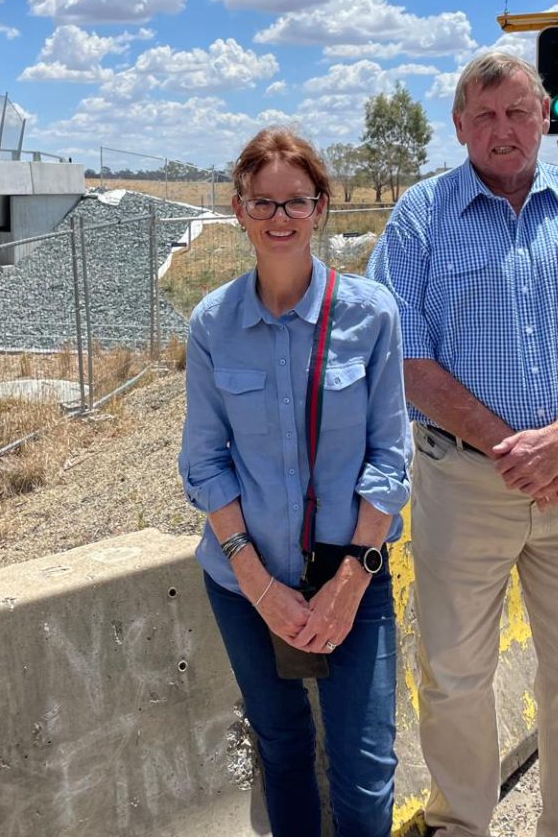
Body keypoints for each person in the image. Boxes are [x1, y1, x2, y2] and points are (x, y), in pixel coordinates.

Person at [366, 51, 558, 837]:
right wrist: (517, 448)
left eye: (517, 112)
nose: (501, 130)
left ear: (546, 117)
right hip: (465, 485)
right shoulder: (419, 216)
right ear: (459, 126)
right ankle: (461, 824)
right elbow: (403, 358)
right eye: (484, 116)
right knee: (452, 674)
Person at [179, 127, 411, 837]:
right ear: (238, 208)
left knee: (365, 770)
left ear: (321, 207)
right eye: (264, 203)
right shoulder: (213, 325)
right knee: (282, 752)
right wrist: (258, 584)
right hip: (245, 590)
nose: (280, 218)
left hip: (353, 583)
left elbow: (391, 460)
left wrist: (346, 585)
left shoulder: (371, 316)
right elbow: (205, 464)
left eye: (296, 202)